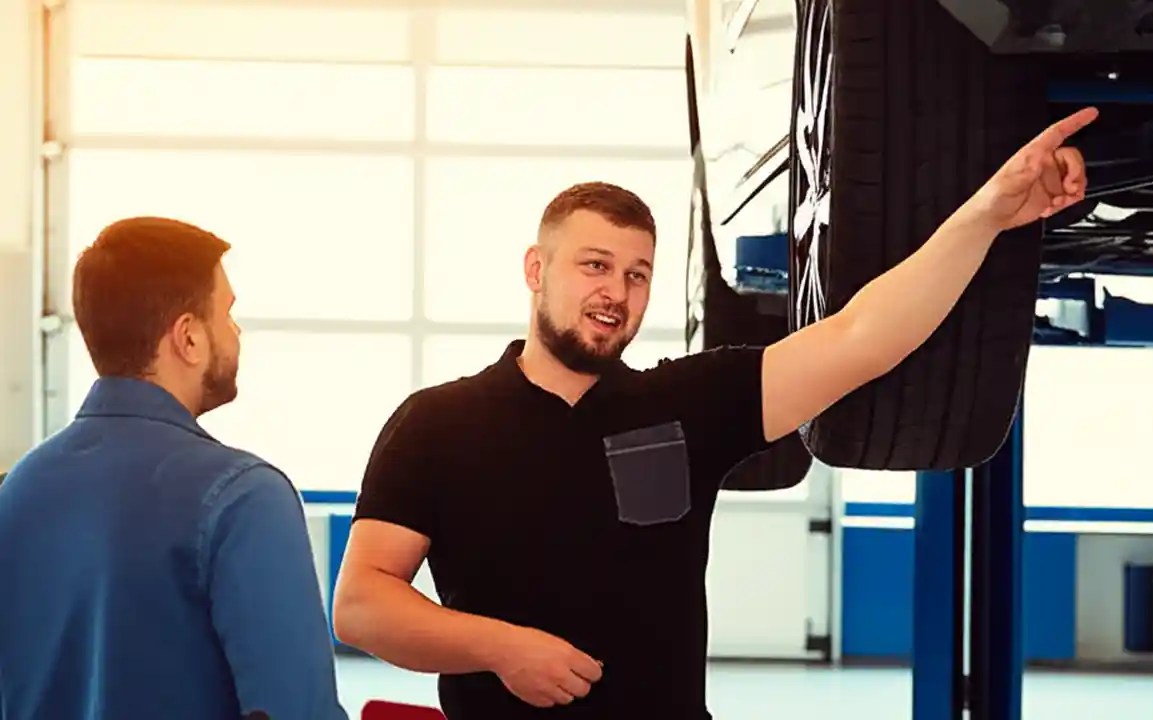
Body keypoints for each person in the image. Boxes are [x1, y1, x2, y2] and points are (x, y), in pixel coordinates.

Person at [333, 107, 1099, 719]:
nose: (616, 293)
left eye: (637, 275)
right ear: (537, 270)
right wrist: (501, 649)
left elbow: (866, 338)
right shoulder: (436, 424)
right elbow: (363, 604)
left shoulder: (687, 403)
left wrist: (991, 212)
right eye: (594, 265)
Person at [0, 217, 348, 720]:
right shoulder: (244, 498)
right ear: (188, 337)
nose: (236, 333)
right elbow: (296, 710)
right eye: (227, 315)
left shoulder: (19, 490)